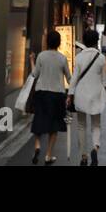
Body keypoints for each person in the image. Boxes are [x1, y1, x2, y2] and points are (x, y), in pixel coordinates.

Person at [67, 29, 106, 166]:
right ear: (96, 41)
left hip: (81, 95)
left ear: (84, 41)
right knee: (96, 125)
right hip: (96, 94)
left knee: (81, 126)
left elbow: (74, 78)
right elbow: (105, 80)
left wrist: (70, 94)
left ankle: (83, 156)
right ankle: (95, 147)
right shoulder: (101, 57)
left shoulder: (79, 57)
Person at [29, 31, 71, 164]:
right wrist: (71, 94)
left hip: (41, 93)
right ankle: (48, 155)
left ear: (47, 42)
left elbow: (34, 74)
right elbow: (69, 79)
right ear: (59, 43)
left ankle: (37, 145)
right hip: (57, 95)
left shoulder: (41, 56)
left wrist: (31, 60)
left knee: (39, 121)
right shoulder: (62, 58)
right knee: (54, 125)